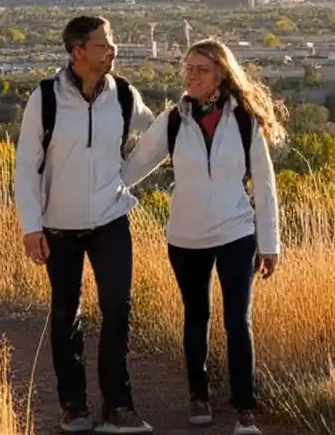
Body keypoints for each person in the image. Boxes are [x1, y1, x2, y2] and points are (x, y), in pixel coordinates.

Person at [121, 38, 285, 435]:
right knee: (196, 316)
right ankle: (199, 395)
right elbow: (137, 164)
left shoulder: (244, 119)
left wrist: (270, 244)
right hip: (186, 235)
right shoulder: (174, 118)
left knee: (237, 320)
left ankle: (245, 409)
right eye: (188, 69)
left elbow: (264, 185)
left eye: (201, 70)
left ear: (221, 75)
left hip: (236, 232)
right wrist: (95, 196)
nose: (191, 76)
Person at [13, 15, 156, 434]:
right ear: (78, 52)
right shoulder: (46, 98)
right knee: (65, 314)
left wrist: (124, 180)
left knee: (117, 311)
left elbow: (157, 137)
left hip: (111, 218)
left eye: (111, 43)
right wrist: (31, 226)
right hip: (59, 226)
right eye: (103, 44)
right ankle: (72, 406)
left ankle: (119, 406)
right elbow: (26, 167)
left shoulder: (125, 95)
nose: (112, 50)